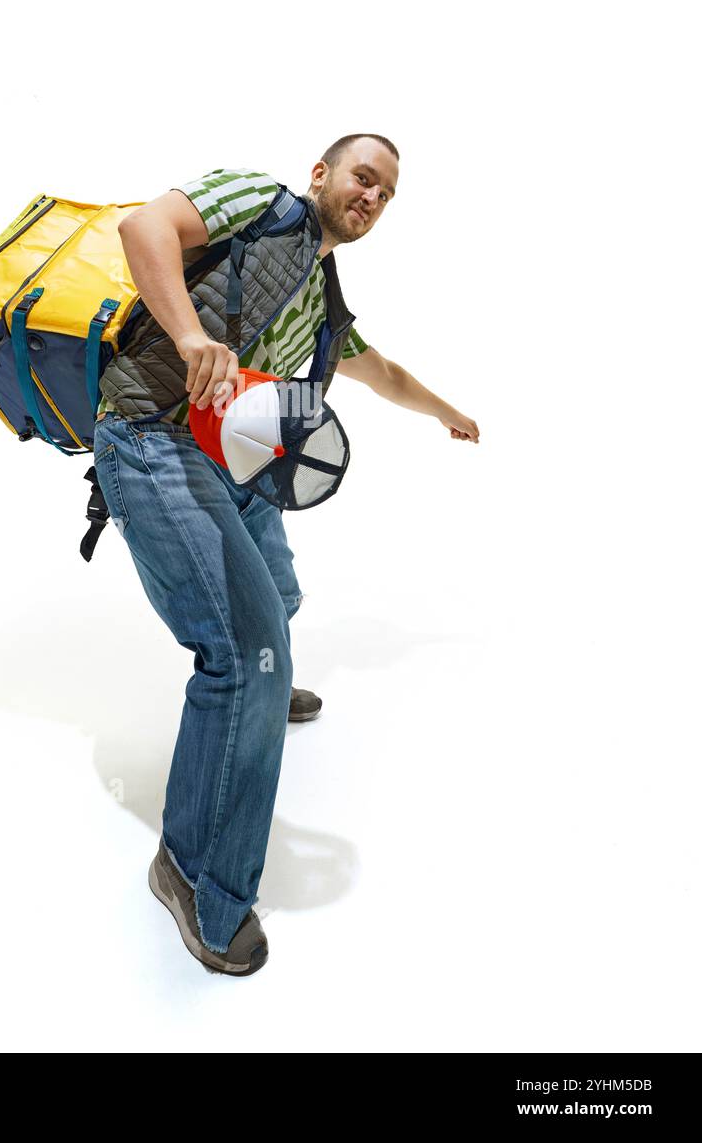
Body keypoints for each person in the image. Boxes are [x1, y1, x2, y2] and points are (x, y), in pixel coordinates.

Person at [93, 134, 479, 975]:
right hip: (151, 438)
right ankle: (197, 878)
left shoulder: (319, 291)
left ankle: (264, 679)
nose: (371, 195)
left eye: (385, 192)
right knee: (245, 659)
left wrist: (448, 412)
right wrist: (191, 336)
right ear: (322, 174)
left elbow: (380, 372)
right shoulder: (255, 201)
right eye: (362, 176)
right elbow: (143, 228)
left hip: (228, 455)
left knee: (280, 598)